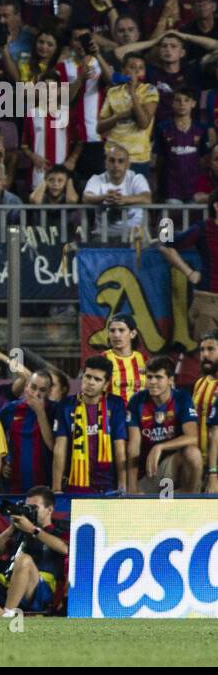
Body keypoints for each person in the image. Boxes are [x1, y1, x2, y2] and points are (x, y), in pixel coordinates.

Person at [0, 485, 67, 618]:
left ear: (49, 510)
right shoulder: (19, 531)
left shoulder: (58, 529)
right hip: (10, 586)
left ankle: (9, 611)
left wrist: (33, 530)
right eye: (27, 507)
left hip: (39, 589)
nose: (29, 511)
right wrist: (11, 529)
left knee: (24, 559)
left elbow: (64, 548)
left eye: (34, 508)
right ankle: (7, 619)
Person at [126, 357, 203, 494]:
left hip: (174, 466)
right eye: (149, 377)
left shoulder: (182, 398)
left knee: (193, 453)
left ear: (171, 380)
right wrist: (131, 489)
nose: (152, 382)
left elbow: (193, 437)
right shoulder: (136, 401)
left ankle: (190, 501)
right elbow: (134, 447)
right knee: (138, 497)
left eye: (158, 377)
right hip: (149, 472)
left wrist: (159, 447)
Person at [158, 190, 218, 338]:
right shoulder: (203, 229)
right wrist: (189, 273)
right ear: (216, 206)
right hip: (209, 300)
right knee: (209, 355)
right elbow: (166, 245)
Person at [81, 141, 152, 242]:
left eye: (121, 161)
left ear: (128, 164)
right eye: (112, 160)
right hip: (103, 236)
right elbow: (86, 198)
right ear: (106, 163)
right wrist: (105, 197)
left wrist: (124, 200)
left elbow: (146, 198)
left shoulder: (136, 178)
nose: (116, 165)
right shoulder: (96, 179)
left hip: (133, 235)